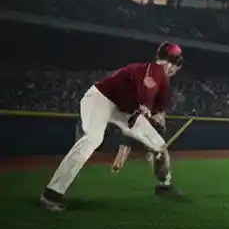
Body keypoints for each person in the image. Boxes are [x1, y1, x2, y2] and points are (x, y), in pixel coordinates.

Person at [39, 43, 187, 211]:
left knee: (159, 145)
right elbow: (145, 89)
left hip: (127, 111)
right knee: (92, 139)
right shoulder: (153, 69)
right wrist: (145, 107)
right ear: (169, 62)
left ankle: (164, 185)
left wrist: (156, 124)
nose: (174, 68)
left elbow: (158, 112)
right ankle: (52, 194)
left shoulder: (164, 84)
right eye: (174, 62)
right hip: (101, 99)